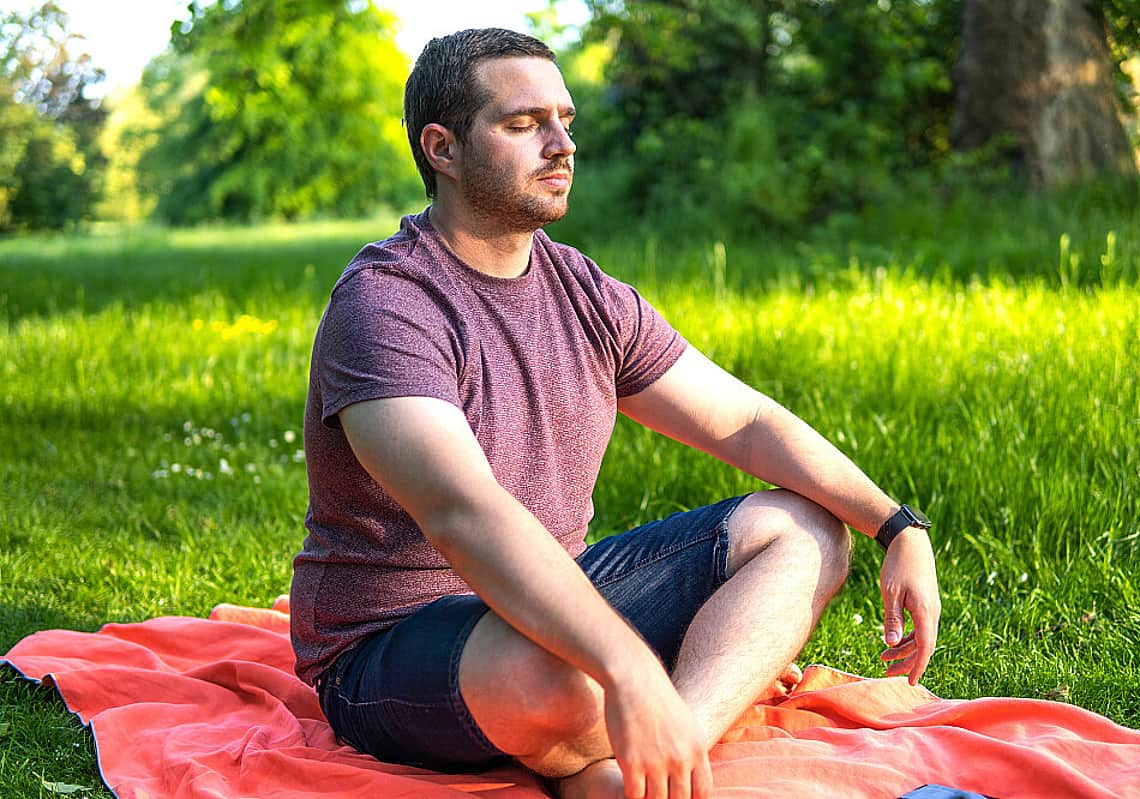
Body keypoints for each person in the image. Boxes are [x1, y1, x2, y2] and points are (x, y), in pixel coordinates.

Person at [290, 27, 941, 799]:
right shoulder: (388, 305)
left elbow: (743, 421)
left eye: (566, 120)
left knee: (805, 529)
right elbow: (463, 515)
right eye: (524, 123)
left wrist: (895, 525)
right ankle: (632, 728)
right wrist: (627, 663)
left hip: (553, 595)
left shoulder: (586, 294)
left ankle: (646, 763)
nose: (562, 144)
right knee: (567, 673)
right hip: (389, 645)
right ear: (443, 148)